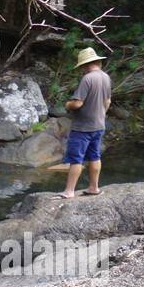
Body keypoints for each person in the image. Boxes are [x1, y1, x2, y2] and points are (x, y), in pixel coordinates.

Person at [57, 47, 112, 198]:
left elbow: (77, 103)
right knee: (95, 156)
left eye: (82, 66)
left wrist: (68, 105)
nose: (82, 69)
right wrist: (101, 115)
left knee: (76, 159)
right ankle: (94, 187)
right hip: (98, 125)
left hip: (82, 127)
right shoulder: (105, 77)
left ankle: (69, 191)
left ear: (86, 65)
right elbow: (107, 101)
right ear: (97, 62)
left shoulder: (87, 79)